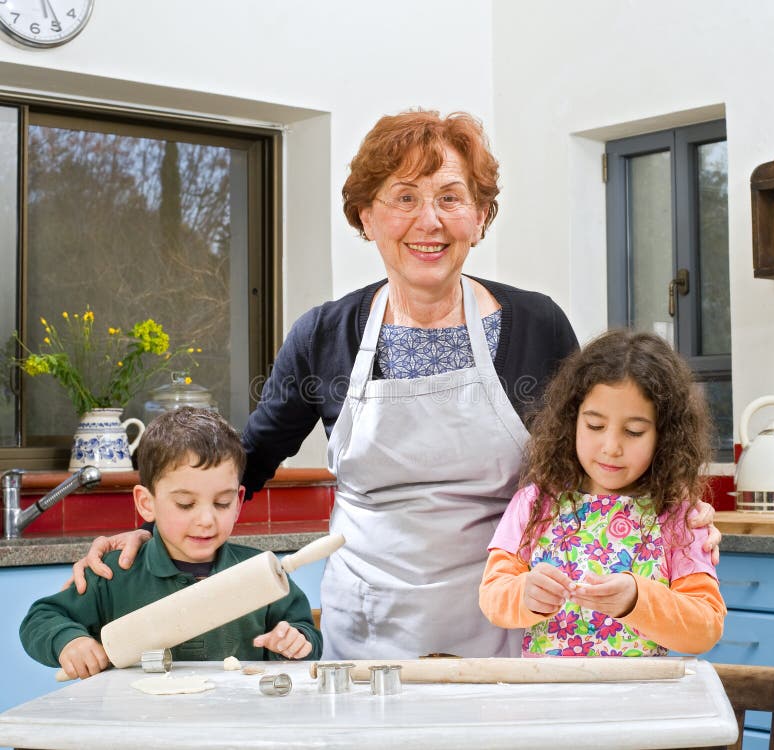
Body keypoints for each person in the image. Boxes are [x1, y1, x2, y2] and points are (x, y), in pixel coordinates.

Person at [66, 110, 721, 660]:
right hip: (368, 633)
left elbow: (595, 456)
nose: (428, 222)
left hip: (507, 624)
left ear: (482, 216)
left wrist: (680, 518)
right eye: (404, 198)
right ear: (366, 216)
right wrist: (151, 534)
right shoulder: (325, 335)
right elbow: (246, 463)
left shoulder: (537, 325)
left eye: (451, 197)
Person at [21, 407, 321, 679]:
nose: (206, 519)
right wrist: (70, 641)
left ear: (239, 500)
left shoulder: (260, 575)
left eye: (222, 503)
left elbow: (306, 635)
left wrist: (294, 642)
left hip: (235, 728)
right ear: (146, 503)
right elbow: (41, 618)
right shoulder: (112, 575)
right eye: (185, 504)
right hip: (137, 730)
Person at [479, 329, 726, 656]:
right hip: (547, 700)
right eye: (595, 426)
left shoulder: (680, 517)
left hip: (637, 703)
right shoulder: (533, 503)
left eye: (634, 431)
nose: (611, 448)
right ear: (572, 420)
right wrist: (524, 594)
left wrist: (637, 600)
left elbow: (705, 628)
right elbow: (493, 596)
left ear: (663, 436)